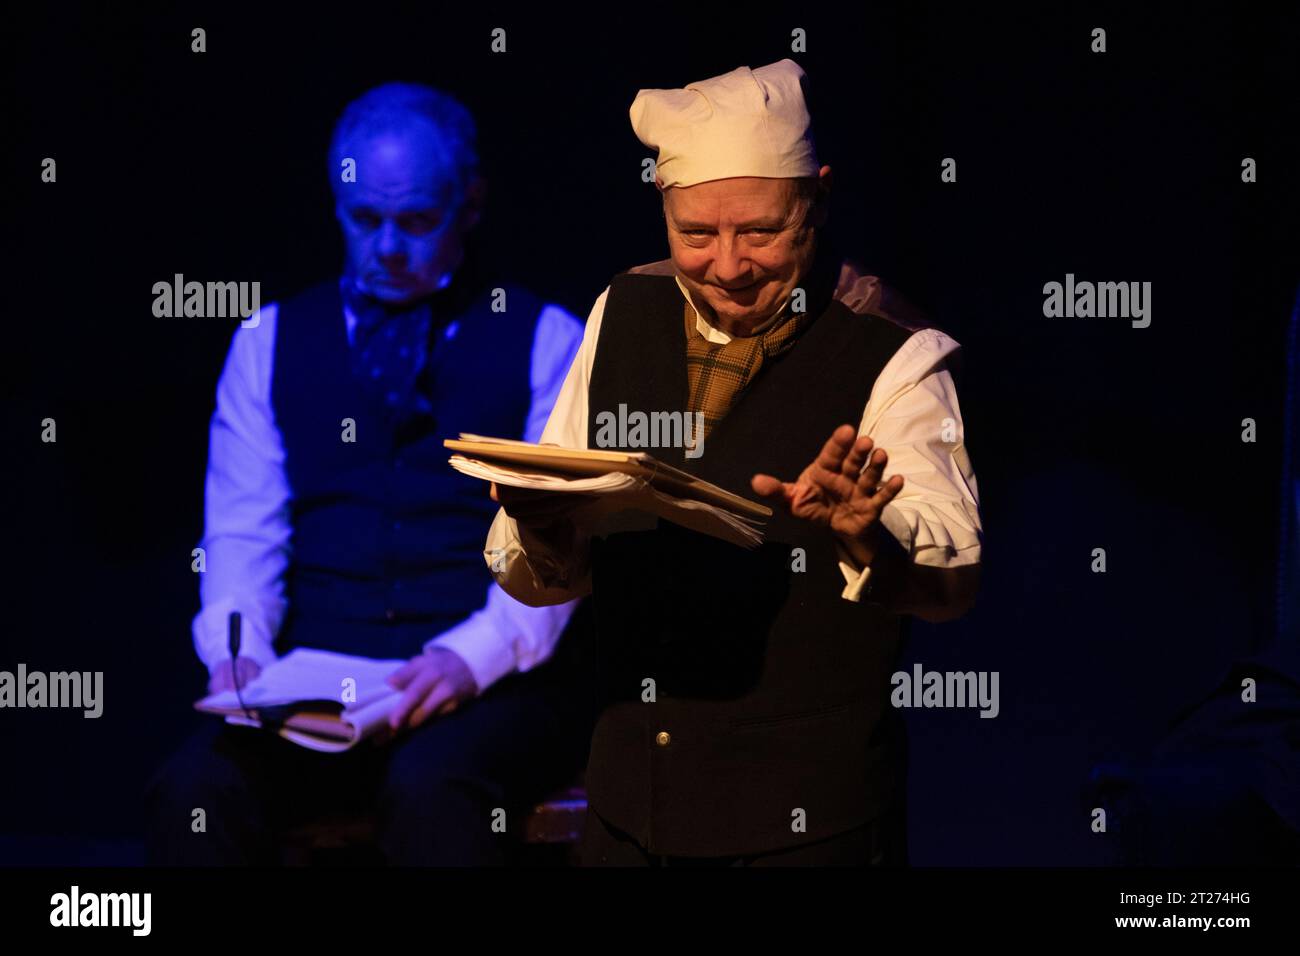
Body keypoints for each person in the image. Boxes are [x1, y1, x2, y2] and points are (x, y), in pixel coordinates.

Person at [486, 59, 983, 865]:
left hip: (802, 825)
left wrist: (868, 536)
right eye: (695, 234)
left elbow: (953, 578)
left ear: (816, 197)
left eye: (759, 232)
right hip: (627, 813)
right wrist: (545, 525)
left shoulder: (893, 350)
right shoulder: (625, 308)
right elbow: (545, 567)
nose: (727, 265)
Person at [146, 82, 593, 866]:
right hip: (315, 677)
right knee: (194, 790)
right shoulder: (269, 339)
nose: (388, 246)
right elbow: (243, 532)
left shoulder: (542, 338)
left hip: (481, 678)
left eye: (417, 221)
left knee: (433, 788)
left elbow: (552, 552)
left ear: (470, 204)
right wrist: (237, 649)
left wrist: (471, 657)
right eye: (365, 218)